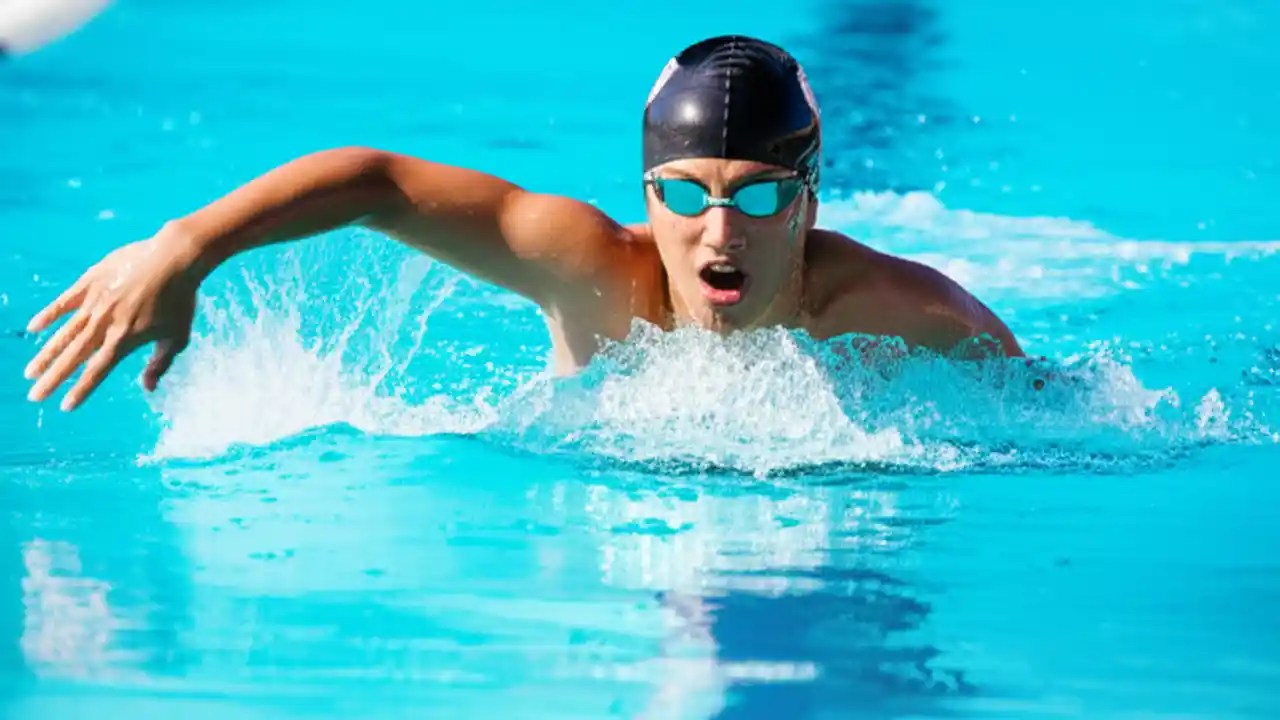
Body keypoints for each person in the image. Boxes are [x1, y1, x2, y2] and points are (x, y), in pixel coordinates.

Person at [22, 34, 1024, 413]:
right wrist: (185, 246)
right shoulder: (589, 269)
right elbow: (374, 181)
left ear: (806, 203)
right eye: (684, 194)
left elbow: (1054, 418)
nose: (720, 231)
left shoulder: (904, 312)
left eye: (760, 194)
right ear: (647, 197)